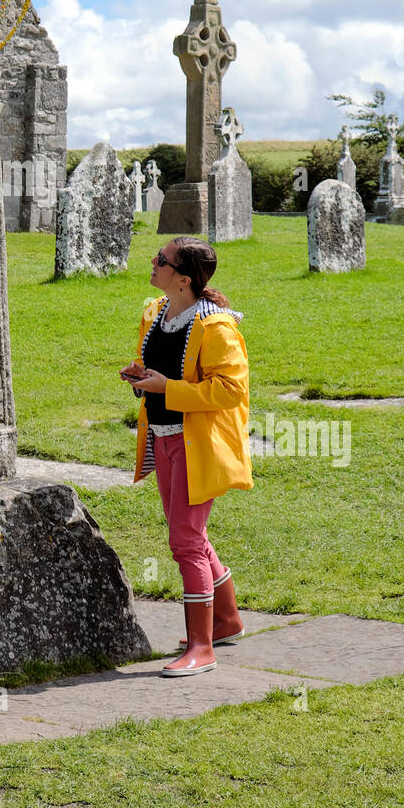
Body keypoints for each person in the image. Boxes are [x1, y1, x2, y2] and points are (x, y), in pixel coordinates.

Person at [120, 236, 252, 677]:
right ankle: (227, 621)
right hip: (162, 439)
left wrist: (166, 389)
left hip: (198, 446)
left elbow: (230, 390)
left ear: (183, 278)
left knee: (185, 542)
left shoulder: (216, 327)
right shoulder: (157, 312)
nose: (153, 263)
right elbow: (158, 366)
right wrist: (141, 377)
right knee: (189, 534)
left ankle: (202, 647)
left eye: (162, 260)